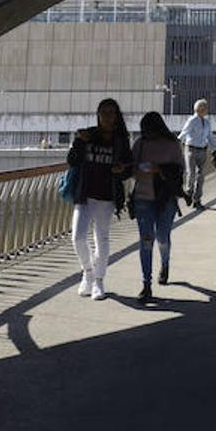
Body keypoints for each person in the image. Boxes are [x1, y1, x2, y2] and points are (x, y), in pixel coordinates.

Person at [68, 98, 132, 300]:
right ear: (97, 114)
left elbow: (128, 166)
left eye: (111, 113)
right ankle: (87, 272)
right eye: (103, 112)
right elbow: (72, 161)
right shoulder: (88, 134)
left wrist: (121, 169)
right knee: (77, 236)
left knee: (101, 238)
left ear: (116, 116)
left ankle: (99, 280)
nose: (106, 116)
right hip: (85, 193)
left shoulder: (121, 139)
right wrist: (79, 141)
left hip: (107, 195)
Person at [131, 111, 185, 304]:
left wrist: (160, 170)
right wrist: (136, 169)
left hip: (166, 199)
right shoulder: (140, 144)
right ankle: (146, 283)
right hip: (143, 198)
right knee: (146, 239)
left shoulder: (173, 145)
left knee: (162, 236)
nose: (147, 134)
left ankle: (165, 263)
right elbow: (132, 168)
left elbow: (179, 173)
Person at [177, 98, 216, 209]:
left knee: (201, 176)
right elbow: (184, 132)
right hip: (191, 149)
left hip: (202, 150)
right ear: (200, 109)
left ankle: (197, 199)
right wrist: (177, 142)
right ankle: (188, 193)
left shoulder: (207, 122)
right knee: (191, 174)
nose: (206, 109)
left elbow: (210, 136)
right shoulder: (192, 120)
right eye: (205, 107)